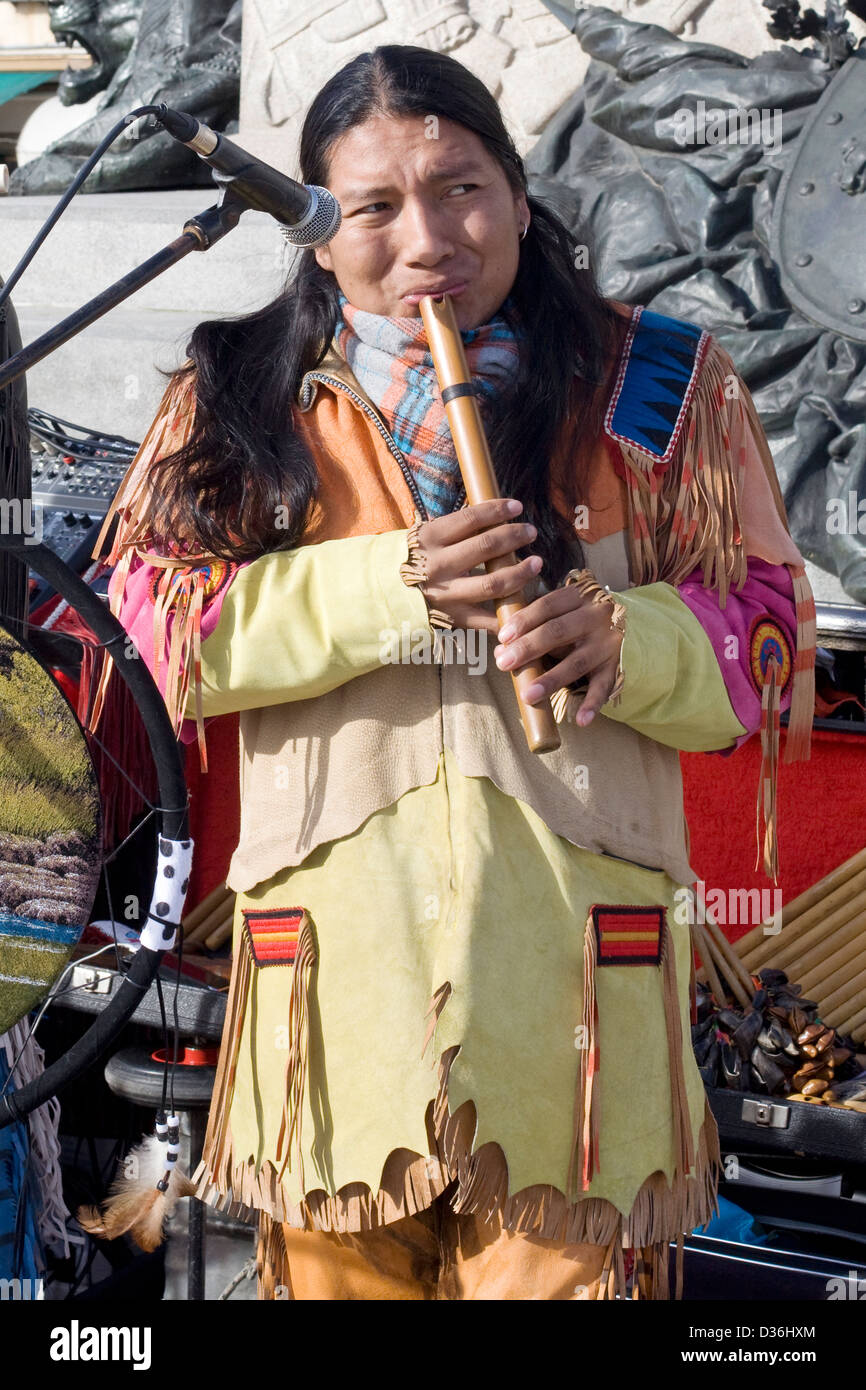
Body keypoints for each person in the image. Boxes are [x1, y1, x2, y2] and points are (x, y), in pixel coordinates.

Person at [92, 44, 815, 1301]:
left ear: (520, 201)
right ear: (316, 233)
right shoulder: (236, 395)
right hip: (332, 986)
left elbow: (769, 630)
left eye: (460, 189)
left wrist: (627, 639)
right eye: (371, 206)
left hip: (577, 986)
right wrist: (386, 586)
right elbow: (152, 629)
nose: (425, 237)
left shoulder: (659, 389)